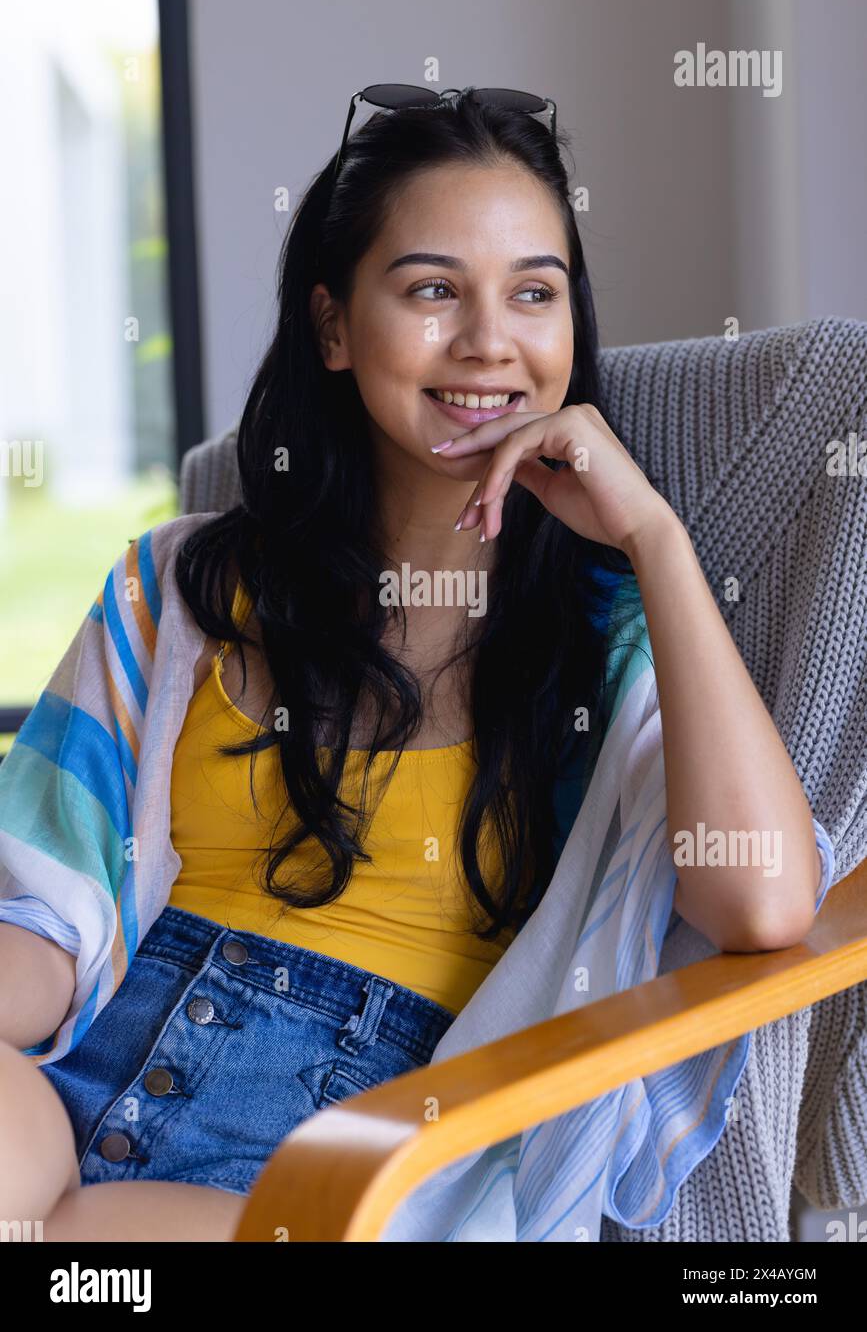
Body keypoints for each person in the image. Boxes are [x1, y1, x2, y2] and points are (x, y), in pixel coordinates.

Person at [0, 88, 827, 1241]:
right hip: (82, 1070)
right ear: (334, 327)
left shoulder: (605, 642)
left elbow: (766, 898)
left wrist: (655, 539)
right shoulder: (179, 588)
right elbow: (41, 917)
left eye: (533, 293)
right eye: (435, 288)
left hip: (354, 1167)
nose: (490, 340)